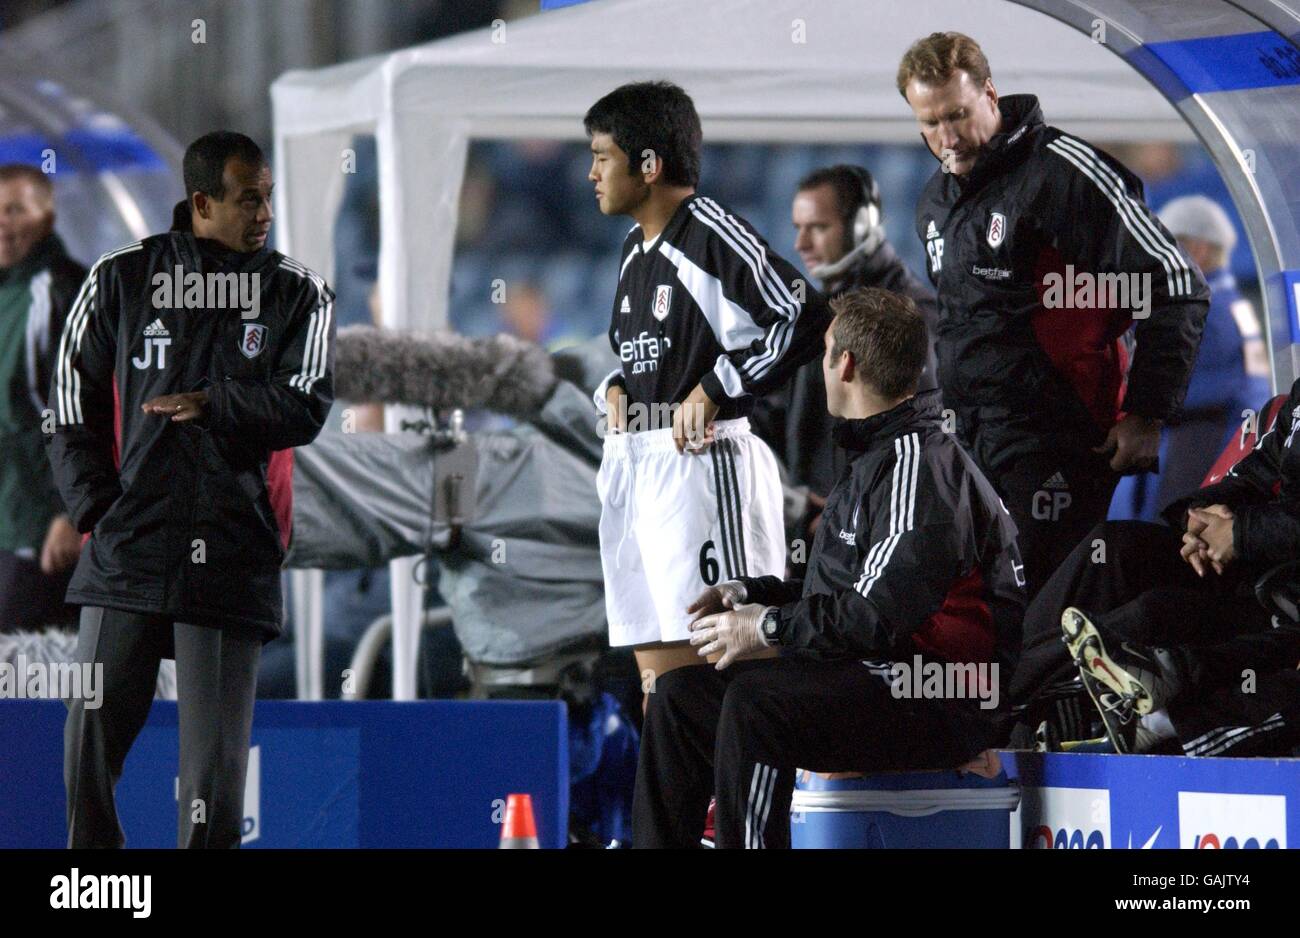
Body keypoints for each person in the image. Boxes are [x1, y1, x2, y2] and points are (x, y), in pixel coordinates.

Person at [632, 287, 1025, 849]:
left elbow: (876, 618)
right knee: (678, 696)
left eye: (822, 354)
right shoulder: (877, 453)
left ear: (845, 363)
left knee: (757, 705)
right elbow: (843, 595)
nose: (817, 369)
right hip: (878, 671)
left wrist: (765, 627)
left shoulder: (919, 466)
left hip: (941, 693)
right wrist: (754, 593)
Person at [50, 131, 335, 848]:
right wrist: (97, 512)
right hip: (127, 544)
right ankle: (97, 880)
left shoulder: (299, 293)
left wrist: (216, 401)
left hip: (232, 548)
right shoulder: (120, 276)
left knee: (213, 776)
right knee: (88, 739)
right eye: (249, 199)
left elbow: (306, 404)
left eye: (268, 196)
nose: (265, 211)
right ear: (201, 202)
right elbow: (66, 406)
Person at [900, 32, 1210, 598]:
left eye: (957, 115)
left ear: (990, 93)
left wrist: (1146, 413)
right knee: (986, 603)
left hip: (1059, 439)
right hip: (970, 440)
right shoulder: (935, 201)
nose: (946, 139)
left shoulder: (1065, 174)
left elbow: (1178, 286)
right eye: (929, 123)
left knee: (1041, 600)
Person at [584, 81, 830, 695]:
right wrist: (614, 389)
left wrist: (719, 385)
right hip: (639, 466)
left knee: (724, 666)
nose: (590, 172)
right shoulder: (631, 252)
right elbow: (640, 358)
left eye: (601, 155)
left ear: (648, 165)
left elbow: (803, 314)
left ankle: (738, 792)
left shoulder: (709, 230)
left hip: (704, 465)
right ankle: (678, 794)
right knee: (659, 688)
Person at [1011, 375, 1300, 752]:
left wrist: (1240, 533)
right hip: (1252, 571)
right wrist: (1200, 517)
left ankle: (997, 704)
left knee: (1153, 614)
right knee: (1112, 548)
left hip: (1283, 612)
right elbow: (1258, 470)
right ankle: (1015, 698)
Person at [751, 165, 939, 561]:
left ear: (863, 223)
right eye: (798, 227)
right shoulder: (810, 315)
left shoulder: (912, 316)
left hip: (868, 531)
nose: (800, 242)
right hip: (818, 530)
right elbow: (776, 413)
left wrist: (850, 508)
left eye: (817, 227)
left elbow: (918, 435)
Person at [1111, 195, 1270, 521]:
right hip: (1228, 437)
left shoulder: (1203, 309)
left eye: (1166, 242)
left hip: (1205, 439)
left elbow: (1194, 391)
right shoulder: (1230, 300)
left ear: (1196, 249)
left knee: (1172, 537)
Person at [0, 164, 86, 630]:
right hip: (8, 521)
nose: (2, 221)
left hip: (42, 532)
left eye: (15, 209)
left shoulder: (58, 294)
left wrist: (69, 512)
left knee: (26, 677)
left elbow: (81, 413)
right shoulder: (7, 289)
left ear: (48, 220)